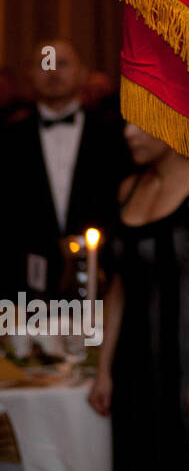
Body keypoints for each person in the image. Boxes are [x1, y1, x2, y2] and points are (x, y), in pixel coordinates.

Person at [87, 124, 189, 471]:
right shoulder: (129, 189)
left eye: (140, 125)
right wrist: (104, 370)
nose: (128, 135)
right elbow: (119, 288)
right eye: (124, 124)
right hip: (132, 372)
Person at [0, 40, 131, 302]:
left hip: (104, 283)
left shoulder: (114, 135)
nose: (53, 72)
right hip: (24, 290)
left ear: (83, 73)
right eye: (44, 64)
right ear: (29, 75)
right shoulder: (8, 139)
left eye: (63, 63)